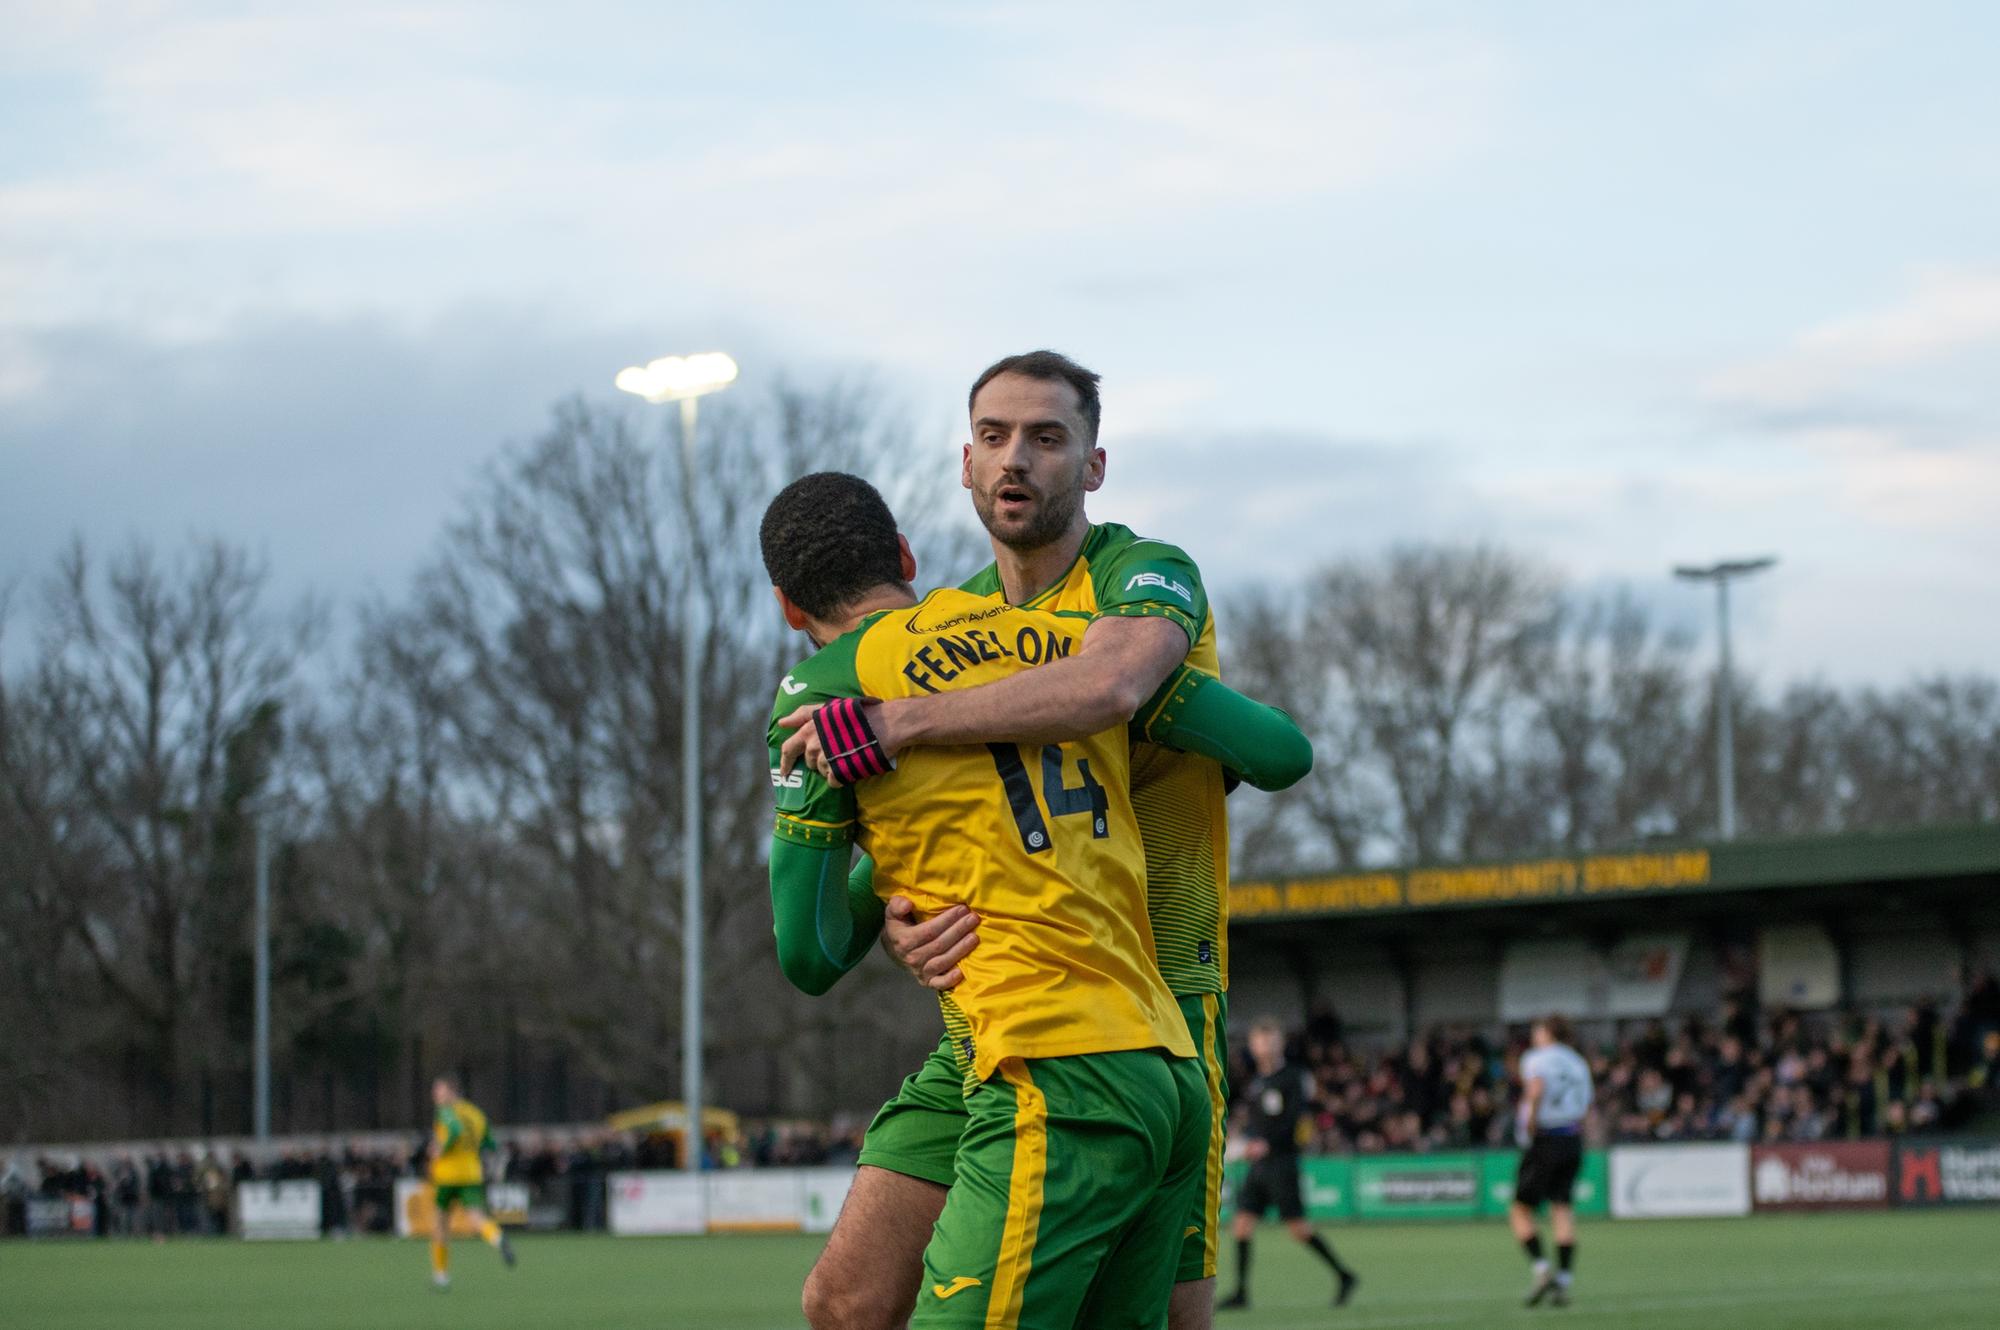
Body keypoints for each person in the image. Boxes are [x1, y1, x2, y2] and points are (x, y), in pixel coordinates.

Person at [780, 350, 1292, 1330]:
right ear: (963, 465)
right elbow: (927, 831)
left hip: (1158, 1009)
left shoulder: (1138, 577)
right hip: (994, 1017)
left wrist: (902, 722)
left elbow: (1118, 689)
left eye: (1047, 437)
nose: (1016, 458)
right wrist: (895, 909)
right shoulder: (949, 620)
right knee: (845, 1300)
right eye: (993, 436)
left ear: (1092, 466)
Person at [1219, 1016, 1358, 1311]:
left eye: (1269, 1040)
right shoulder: (1258, 1081)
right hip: (1259, 1165)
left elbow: (1294, 1120)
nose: (1263, 1046)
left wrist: (1266, 1143)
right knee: (1242, 1224)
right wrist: (1245, 1139)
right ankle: (1241, 1293)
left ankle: (1344, 1274)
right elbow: (1259, 1119)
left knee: (1298, 1228)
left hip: (1282, 1162)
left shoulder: (1292, 1077)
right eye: (1259, 1041)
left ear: (1280, 1043)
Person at [1512, 1015, 1593, 1309]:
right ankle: (1564, 1280)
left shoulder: (1537, 1059)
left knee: (1520, 1210)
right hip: (1572, 1138)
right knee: (1562, 1208)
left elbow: (1535, 1090)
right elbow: (1586, 1105)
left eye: (1537, 1029)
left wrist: (1529, 1127)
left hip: (1546, 1138)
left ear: (1546, 1032)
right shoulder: (1578, 1062)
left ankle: (1542, 1270)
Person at [425, 1077, 516, 1290]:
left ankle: (441, 1276)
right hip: (472, 1173)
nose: (435, 1096)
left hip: (447, 1175)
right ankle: (497, 1237)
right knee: (476, 1217)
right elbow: (490, 1142)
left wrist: (440, 1149)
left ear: (451, 1091)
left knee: (440, 1224)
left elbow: (454, 1131)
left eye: (439, 1091)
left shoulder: (447, 1111)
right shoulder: (476, 1113)